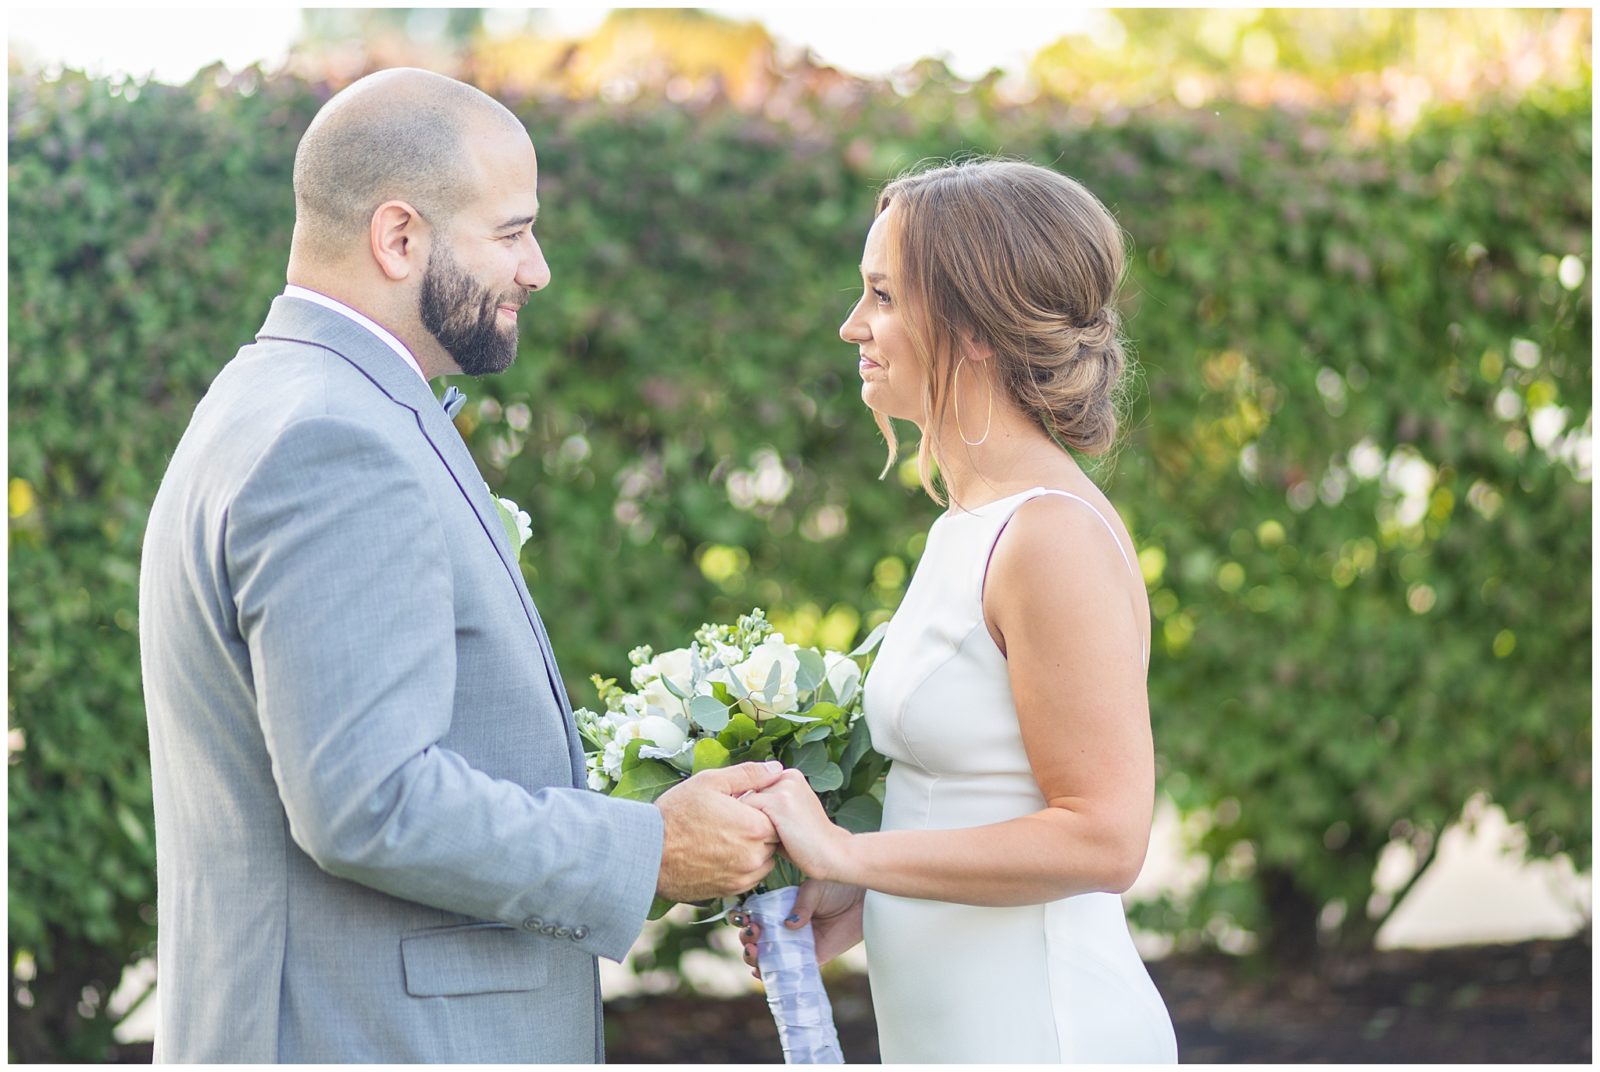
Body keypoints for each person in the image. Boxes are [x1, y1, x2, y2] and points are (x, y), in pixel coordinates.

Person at [139, 68, 783, 1063]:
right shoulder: (332, 439)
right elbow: (368, 801)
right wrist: (649, 848)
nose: (538, 270)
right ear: (399, 238)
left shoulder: (282, 396)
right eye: (512, 232)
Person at [731, 159, 1179, 1062]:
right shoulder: (968, 521)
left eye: (884, 296)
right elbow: (970, 799)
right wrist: (863, 899)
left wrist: (846, 855)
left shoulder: (1049, 536)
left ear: (974, 328)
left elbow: (1104, 836)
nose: (853, 325)